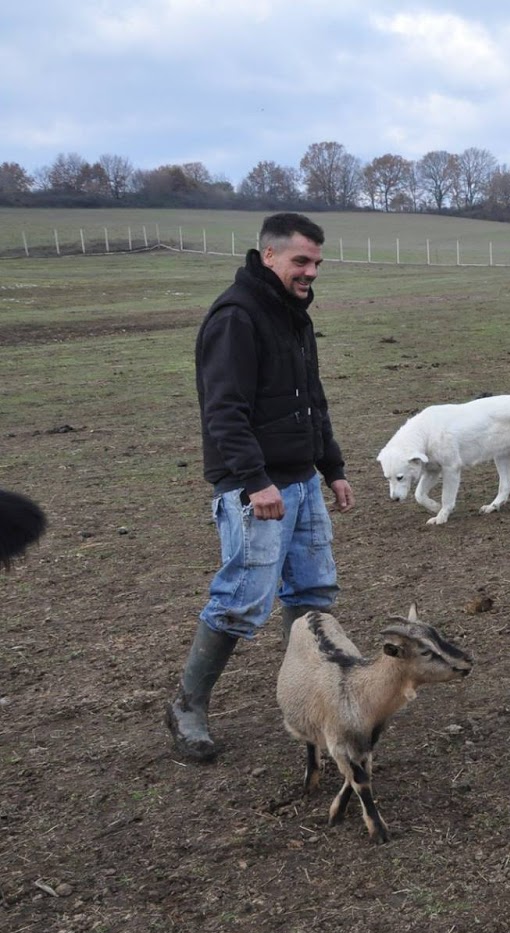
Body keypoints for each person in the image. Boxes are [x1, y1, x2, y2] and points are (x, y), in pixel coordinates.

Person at [166, 213, 354, 762]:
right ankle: (187, 705)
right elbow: (222, 411)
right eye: (301, 261)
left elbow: (310, 398)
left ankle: (311, 698)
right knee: (242, 601)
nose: (311, 272)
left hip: (299, 482)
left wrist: (333, 467)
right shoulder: (236, 317)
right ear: (267, 255)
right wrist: (254, 482)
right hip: (256, 489)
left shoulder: (293, 315)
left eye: (317, 263)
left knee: (314, 593)